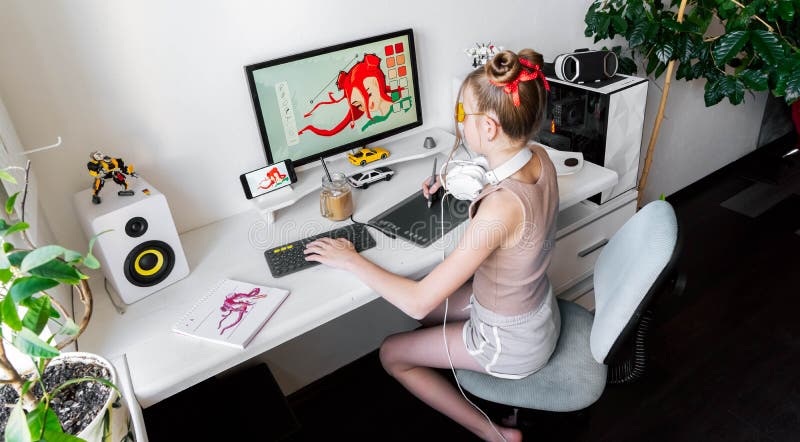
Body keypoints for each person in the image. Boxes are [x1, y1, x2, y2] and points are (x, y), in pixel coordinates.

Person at [304, 49, 558, 442]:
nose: (460, 125)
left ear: (488, 128)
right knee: (432, 319)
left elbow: (419, 300)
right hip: (534, 309)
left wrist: (351, 259)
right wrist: (452, 179)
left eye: (463, 117)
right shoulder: (540, 157)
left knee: (392, 351)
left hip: (509, 342)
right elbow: (501, 176)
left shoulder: (500, 209)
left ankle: (493, 433)